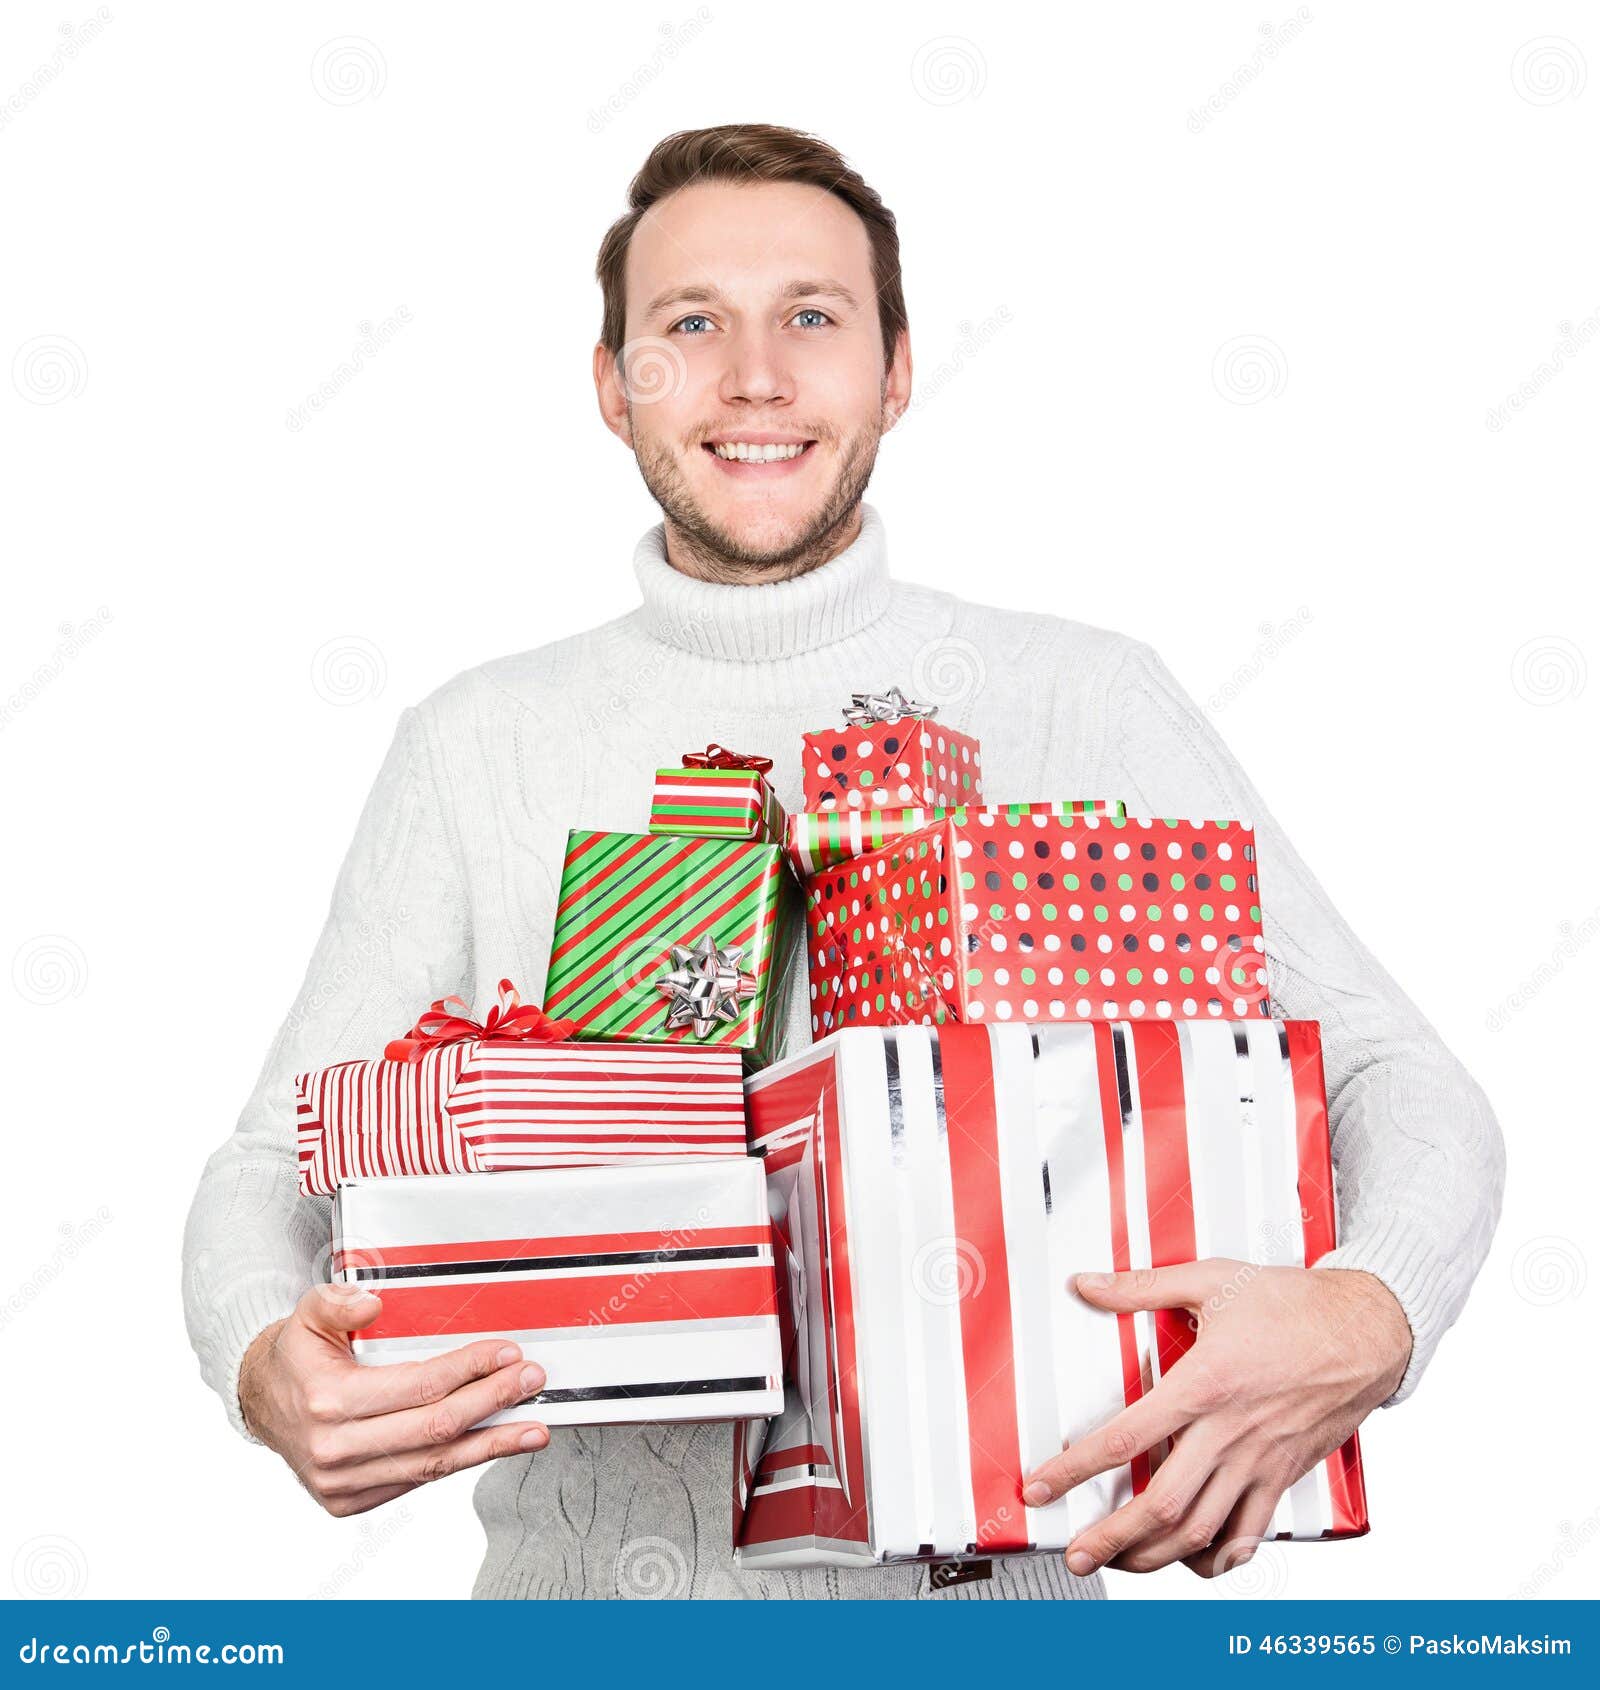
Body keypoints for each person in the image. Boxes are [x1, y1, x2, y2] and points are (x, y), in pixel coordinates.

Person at [182, 122, 1504, 1601]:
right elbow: (268, 1169)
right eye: (693, 325)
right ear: (615, 389)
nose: (756, 376)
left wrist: (1371, 1310)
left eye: (813, 316)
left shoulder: (1083, 698)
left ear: (898, 370)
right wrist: (262, 1361)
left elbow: (1404, 1081)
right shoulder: (476, 741)